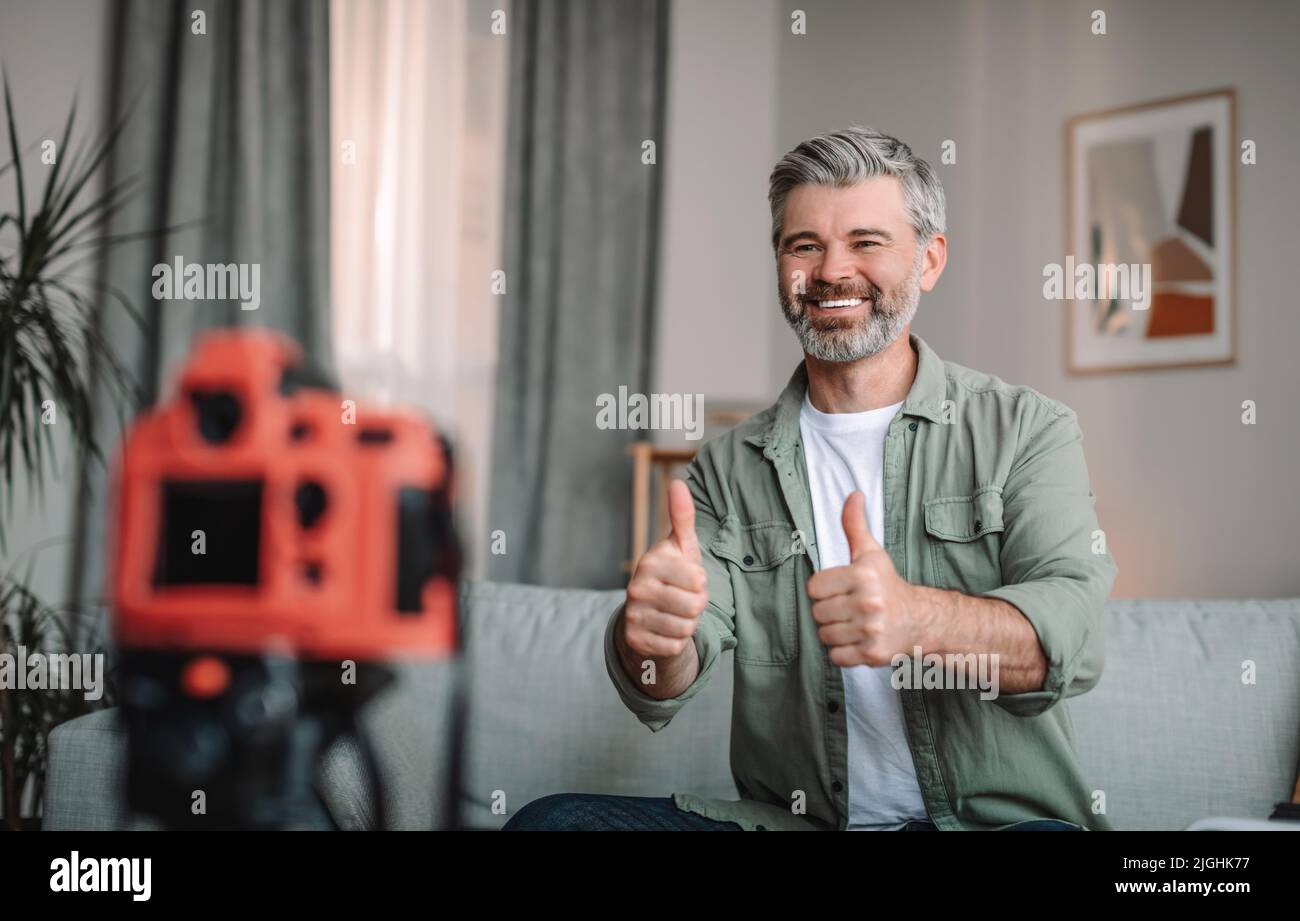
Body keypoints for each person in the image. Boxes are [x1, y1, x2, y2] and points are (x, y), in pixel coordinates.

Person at [505, 126, 1117, 831]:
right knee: (551, 823)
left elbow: (1070, 642)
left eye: (866, 241)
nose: (831, 271)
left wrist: (916, 620)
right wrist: (649, 639)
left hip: (1001, 829)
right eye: (805, 246)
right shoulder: (726, 469)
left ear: (929, 259)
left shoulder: (1029, 431)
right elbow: (659, 688)